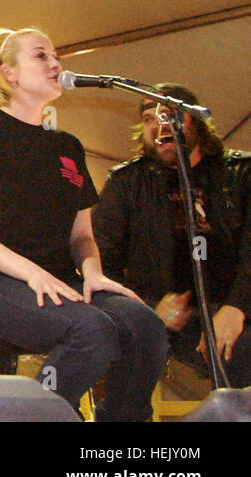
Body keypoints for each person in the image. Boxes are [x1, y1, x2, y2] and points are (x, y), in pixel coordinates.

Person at [0, 27, 167, 420]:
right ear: (9, 73)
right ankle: (38, 414)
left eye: (56, 55)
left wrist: (93, 272)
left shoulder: (68, 147)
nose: (56, 64)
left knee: (145, 326)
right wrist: (32, 274)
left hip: (64, 280)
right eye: (41, 56)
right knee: (93, 331)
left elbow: (82, 236)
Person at [93, 85, 251, 387]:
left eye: (167, 115)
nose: (158, 125)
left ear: (194, 121)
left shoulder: (240, 172)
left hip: (238, 305)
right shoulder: (127, 183)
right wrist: (150, 308)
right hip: (172, 318)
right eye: (149, 119)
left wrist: (237, 307)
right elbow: (100, 265)